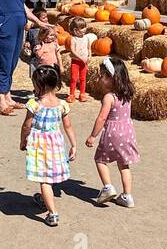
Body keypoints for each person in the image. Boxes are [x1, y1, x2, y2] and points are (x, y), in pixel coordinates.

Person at [19, 64, 76, 227]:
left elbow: (26, 126)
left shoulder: (34, 104)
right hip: (56, 143)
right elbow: (68, 126)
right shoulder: (62, 104)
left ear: (38, 85)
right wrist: (73, 144)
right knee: (49, 176)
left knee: (44, 180)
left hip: (39, 144)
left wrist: (23, 141)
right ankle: (45, 199)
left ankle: (53, 213)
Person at [86, 57, 140, 208]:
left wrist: (92, 136)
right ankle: (127, 196)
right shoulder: (127, 93)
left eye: (102, 75)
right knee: (124, 164)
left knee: (100, 159)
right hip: (128, 132)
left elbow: (102, 118)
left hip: (112, 133)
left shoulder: (109, 97)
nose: (100, 78)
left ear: (111, 78)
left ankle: (108, 187)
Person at [65, 15, 96, 103]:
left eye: (85, 27)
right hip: (76, 62)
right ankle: (72, 94)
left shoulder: (86, 38)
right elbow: (73, 51)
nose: (85, 29)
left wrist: (89, 56)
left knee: (83, 78)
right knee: (74, 78)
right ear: (75, 30)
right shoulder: (73, 39)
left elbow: (89, 48)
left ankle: (82, 94)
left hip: (84, 62)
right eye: (82, 28)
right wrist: (80, 58)